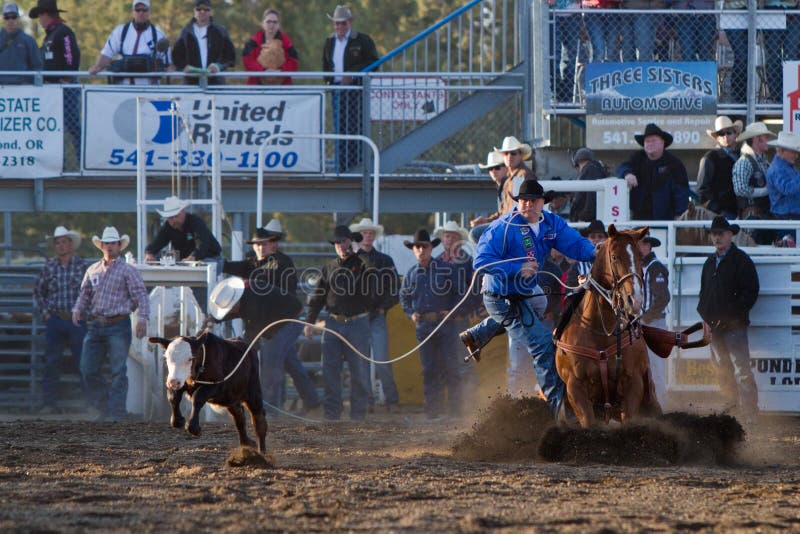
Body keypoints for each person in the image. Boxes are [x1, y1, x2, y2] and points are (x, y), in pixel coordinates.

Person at [465, 180, 597, 417]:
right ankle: (558, 411)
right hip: (501, 296)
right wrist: (518, 268)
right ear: (518, 203)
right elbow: (481, 262)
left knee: (540, 302)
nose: (527, 205)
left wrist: (596, 252)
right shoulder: (503, 227)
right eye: (523, 200)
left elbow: (575, 244)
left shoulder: (551, 223)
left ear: (542, 203)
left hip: (524, 293)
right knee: (543, 345)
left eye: (532, 201)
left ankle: (478, 333)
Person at [219, 220, 320, 415]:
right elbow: (234, 267)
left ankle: (270, 410)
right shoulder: (255, 263)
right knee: (289, 362)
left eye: (264, 243)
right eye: (258, 244)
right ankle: (312, 401)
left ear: (274, 244)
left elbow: (268, 282)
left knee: (271, 365)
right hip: (274, 322)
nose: (260, 247)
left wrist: (252, 282)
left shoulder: (281, 263)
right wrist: (220, 263)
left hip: (284, 321)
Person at [72, 227, 149, 422]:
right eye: (106, 243)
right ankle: (106, 408)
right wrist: (77, 309)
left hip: (118, 323)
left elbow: (141, 295)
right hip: (97, 324)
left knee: (118, 370)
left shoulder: (128, 270)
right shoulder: (93, 270)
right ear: (102, 246)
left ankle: (116, 413)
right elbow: (84, 294)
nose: (109, 246)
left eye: (113, 243)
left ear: (119, 246)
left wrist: (142, 318)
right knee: (88, 369)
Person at [304, 225, 375, 421]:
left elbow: (373, 272)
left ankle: (357, 415)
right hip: (333, 322)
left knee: (359, 371)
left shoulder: (362, 263)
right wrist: (309, 321)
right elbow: (318, 297)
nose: (341, 246)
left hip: (357, 322)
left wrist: (359, 252)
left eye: (344, 241)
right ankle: (332, 414)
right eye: (337, 243)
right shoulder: (329, 268)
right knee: (330, 371)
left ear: (351, 242)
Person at [697, 216, 759, 424]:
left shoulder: (741, 260)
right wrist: (706, 319)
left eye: (721, 234)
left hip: (734, 327)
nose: (717, 237)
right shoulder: (710, 263)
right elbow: (704, 294)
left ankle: (749, 414)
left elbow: (750, 292)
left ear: (730, 235)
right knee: (724, 369)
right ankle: (733, 411)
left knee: (740, 370)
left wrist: (729, 316)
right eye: (714, 234)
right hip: (717, 327)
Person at [399, 228, 463, 420]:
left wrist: (452, 311)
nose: (421, 250)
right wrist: (410, 313)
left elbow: (460, 293)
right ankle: (433, 411)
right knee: (429, 369)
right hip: (424, 326)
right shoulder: (412, 274)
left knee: (451, 367)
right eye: (417, 247)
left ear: (430, 248)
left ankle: (455, 410)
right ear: (413, 250)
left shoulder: (447, 269)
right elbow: (404, 297)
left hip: (444, 324)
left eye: (424, 246)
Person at [33, 226, 88, 414]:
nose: (61, 246)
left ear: (71, 244)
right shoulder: (49, 267)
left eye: (64, 242)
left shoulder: (81, 266)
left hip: (76, 319)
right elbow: (38, 292)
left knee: (83, 361)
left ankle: (89, 403)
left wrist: (84, 312)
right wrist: (46, 314)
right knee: (52, 362)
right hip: (55, 319)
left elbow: (91, 291)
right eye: (58, 243)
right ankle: (49, 403)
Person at [348, 217, 400, 412]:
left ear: (374, 236)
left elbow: (395, 288)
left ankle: (390, 400)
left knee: (381, 360)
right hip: (360, 317)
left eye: (370, 233)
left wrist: (384, 307)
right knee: (362, 362)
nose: (368, 236)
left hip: (376, 315)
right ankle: (369, 400)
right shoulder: (352, 260)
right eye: (364, 233)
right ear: (359, 235)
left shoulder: (385, 260)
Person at [322, 4, 379, 173]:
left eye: (343, 23)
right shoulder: (329, 41)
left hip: (356, 91)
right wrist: (330, 82)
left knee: (355, 129)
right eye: (337, 23)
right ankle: (342, 169)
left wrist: (353, 75)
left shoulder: (363, 40)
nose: (339, 26)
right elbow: (326, 64)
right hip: (338, 91)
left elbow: (374, 63)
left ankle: (356, 168)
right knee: (340, 130)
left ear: (350, 23)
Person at [433, 220, 480, 401]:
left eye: (453, 236)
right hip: (441, 321)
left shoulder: (467, 262)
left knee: (463, 361)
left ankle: (469, 401)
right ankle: (452, 403)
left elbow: (474, 292)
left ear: (459, 239)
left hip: (459, 319)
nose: (449, 239)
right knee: (443, 361)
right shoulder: (437, 262)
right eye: (447, 236)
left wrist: (460, 312)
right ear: (443, 239)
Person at [29, 0, 80, 160]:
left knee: (72, 126)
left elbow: (72, 58)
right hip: (52, 88)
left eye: (40, 16)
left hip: (64, 87)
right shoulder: (50, 35)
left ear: (47, 15)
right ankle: (59, 164)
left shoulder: (63, 32)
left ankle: (81, 161)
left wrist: (65, 81)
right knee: (55, 128)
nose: (39, 20)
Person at [87, 0, 171, 85]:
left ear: (149, 11)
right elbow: (107, 54)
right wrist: (97, 67)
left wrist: (167, 68)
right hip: (123, 87)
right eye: (137, 10)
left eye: (144, 10)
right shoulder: (120, 31)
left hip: (148, 88)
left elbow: (168, 65)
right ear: (133, 11)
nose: (141, 13)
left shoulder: (158, 35)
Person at [617, 123, 689, 220]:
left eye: (653, 140)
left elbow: (681, 193)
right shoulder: (637, 158)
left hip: (666, 222)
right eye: (647, 141)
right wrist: (627, 173)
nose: (650, 144)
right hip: (638, 221)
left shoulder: (674, 164)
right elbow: (621, 167)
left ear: (662, 143)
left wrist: (679, 215)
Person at [636, 232, 670, 406]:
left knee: (656, 368)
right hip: (644, 324)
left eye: (642, 243)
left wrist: (645, 318)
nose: (639, 247)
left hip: (653, 324)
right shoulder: (642, 267)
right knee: (646, 367)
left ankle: (661, 405)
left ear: (648, 245)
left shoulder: (655, 267)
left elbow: (663, 298)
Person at [171, 0, 235, 85]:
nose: (202, 12)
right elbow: (176, 56)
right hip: (191, 83)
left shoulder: (220, 31)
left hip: (215, 83)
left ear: (211, 11)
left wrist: (218, 66)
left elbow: (230, 57)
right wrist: (184, 66)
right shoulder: (185, 32)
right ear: (194, 11)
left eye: (206, 9)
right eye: (199, 9)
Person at [144, 196, 222, 263]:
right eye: (170, 217)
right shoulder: (168, 227)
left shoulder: (195, 222)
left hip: (211, 258)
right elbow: (158, 242)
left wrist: (193, 257)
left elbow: (202, 244)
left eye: (176, 216)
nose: (174, 220)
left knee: (202, 267)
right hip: (186, 262)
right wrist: (150, 253)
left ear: (183, 212)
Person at [697, 116, 743, 219]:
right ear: (717, 137)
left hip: (740, 211)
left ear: (735, 134)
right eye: (721, 134)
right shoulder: (710, 158)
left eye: (729, 132)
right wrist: (717, 211)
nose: (725, 136)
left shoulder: (742, 155)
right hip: (721, 214)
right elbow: (702, 191)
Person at [243, 8, 298, 85]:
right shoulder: (254, 41)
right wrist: (263, 71)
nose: (271, 25)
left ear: (278, 25)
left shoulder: (286, 42)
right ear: (263, 23)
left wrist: (281, 71)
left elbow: (294, 61)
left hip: (281, 86)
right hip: (257, 86)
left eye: (275, 22)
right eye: (268, 21)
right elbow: (248, 61)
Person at [733, 121, 775, 220]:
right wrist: (764, 191)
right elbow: (740, 189)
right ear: (756, 139)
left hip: (762, 213)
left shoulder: (763, 161)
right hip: (752, 216)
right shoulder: (744, 161)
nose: (768, 140)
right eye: (766, 137)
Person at [469, 150, 509, 243]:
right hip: (506, 225)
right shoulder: (502, 186)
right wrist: (486, 220)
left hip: (509, 226)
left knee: (475, 233)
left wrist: (488, 221)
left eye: (497, 167)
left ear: (506, 167)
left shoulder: (508, 185)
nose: (493, 171)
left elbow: (507, 214)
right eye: (490, 169)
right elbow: (502, 213)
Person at [0, 2, 42, 84]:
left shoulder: (29, 41)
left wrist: (31, 85)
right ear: (3, 19)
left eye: (14, 17)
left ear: (18, 18)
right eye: (7, 17)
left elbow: (37, 66)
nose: (10, 20)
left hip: (23, 88)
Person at [564, 219, 606, 295]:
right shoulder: (577, 266)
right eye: (593, 237)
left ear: (606, 240)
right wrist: (582, 287)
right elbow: (569, 292)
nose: (597, 239)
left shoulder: (612, 262)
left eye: (600, 236)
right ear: (587, 239)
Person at [766, 131, 800, 219]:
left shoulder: (787, 166)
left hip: (789, 215)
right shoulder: (776, 169)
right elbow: (787, 189)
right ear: (781, 151)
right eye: (793, 152)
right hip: (786, 217)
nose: (796, 155)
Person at [569, 147, 606, 222]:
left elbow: (591, 198)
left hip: (589, 220)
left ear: (578, 162)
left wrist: (582, 216)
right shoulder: (595, 169)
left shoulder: (590, 170)